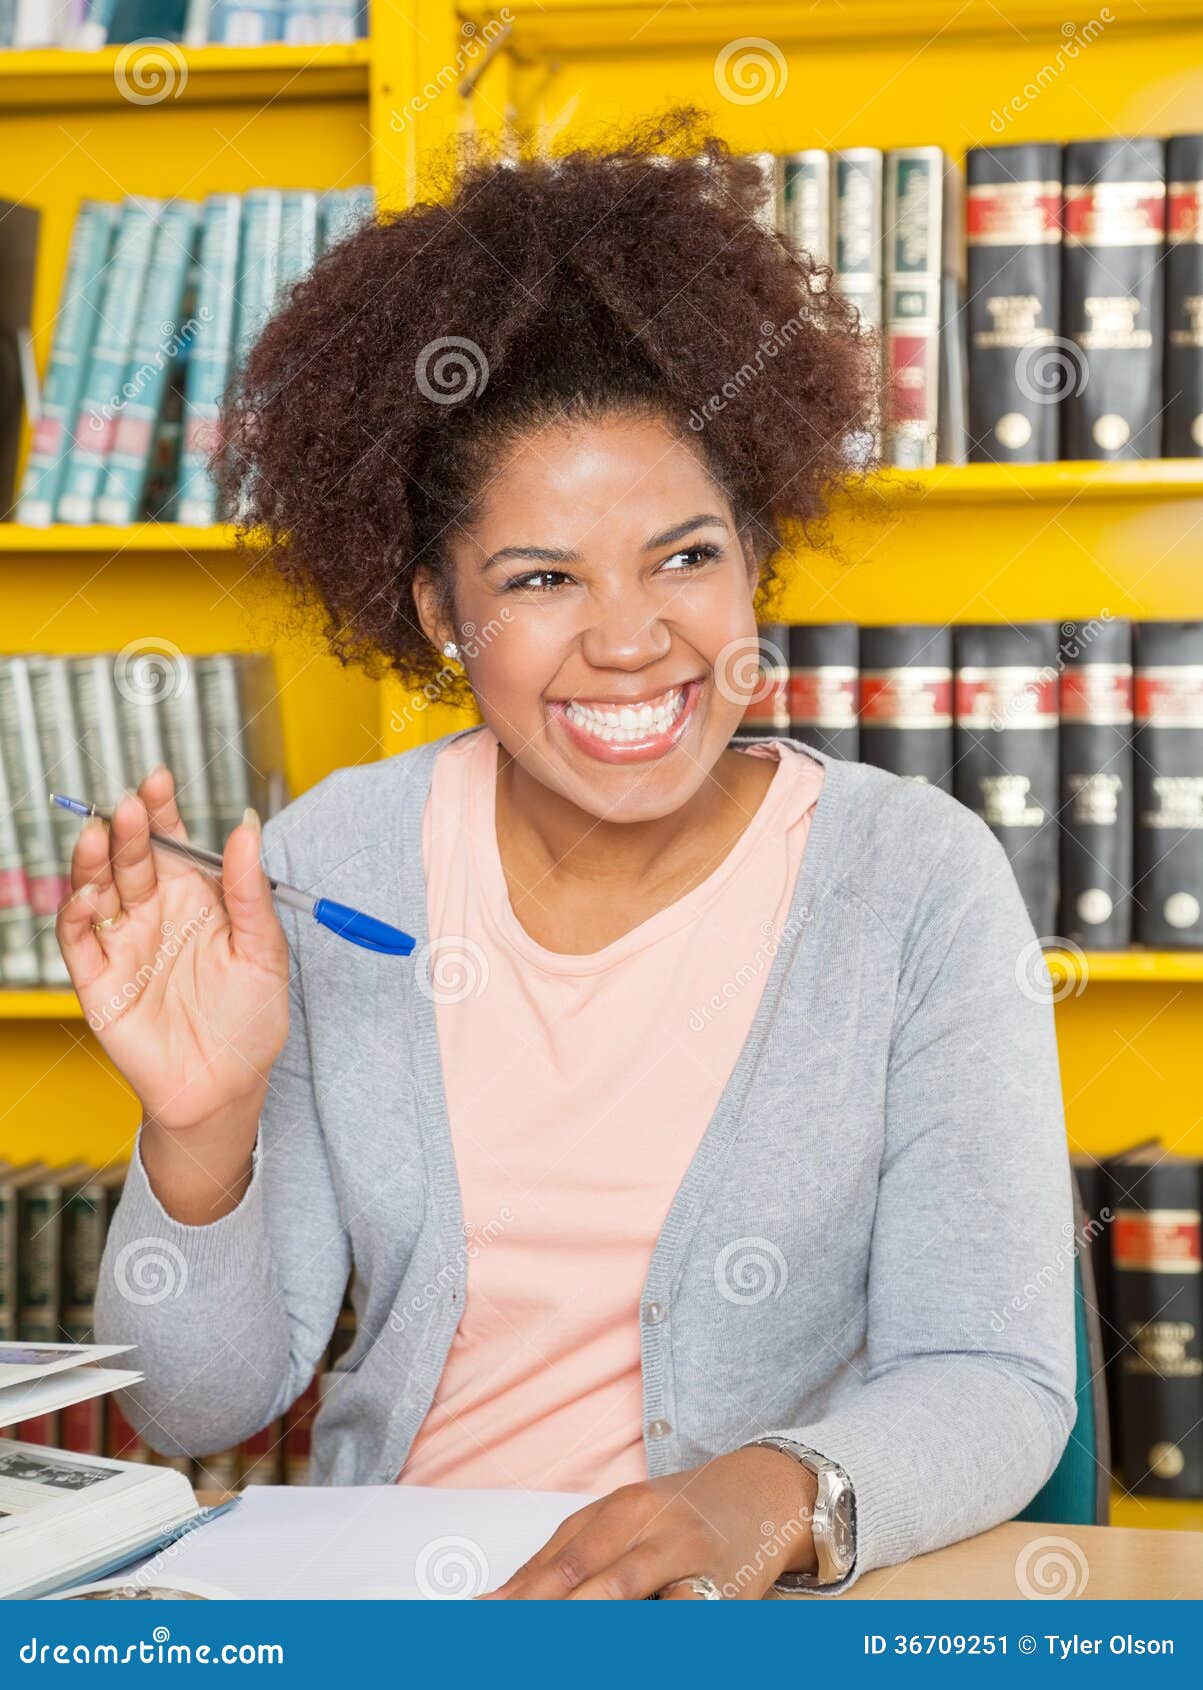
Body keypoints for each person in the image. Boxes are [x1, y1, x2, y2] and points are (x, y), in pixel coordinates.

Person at [65, 114, 1076, 1600]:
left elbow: (992, 1371)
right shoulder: (338, 861)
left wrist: (771, 1497)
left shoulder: (911, 880)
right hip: (404, 1611)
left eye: (686, 556)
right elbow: (192, 1405)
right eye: (542, 579)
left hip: (754, 1620)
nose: (630, 639)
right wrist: (201, 1130)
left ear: (756, 557)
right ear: (437, 613)